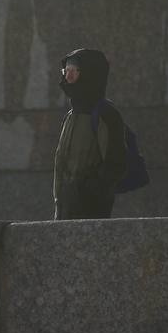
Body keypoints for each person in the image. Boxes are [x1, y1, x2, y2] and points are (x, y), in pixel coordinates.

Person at [54, 48, 127, 219]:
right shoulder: (71, 115)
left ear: (89, 74)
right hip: (64, 209)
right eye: (66, 71)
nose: (68, 77)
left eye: (74, 71)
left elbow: (116, 163)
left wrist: (89, 191)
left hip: (92, 210)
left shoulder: (106, 115)